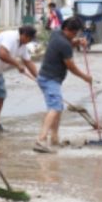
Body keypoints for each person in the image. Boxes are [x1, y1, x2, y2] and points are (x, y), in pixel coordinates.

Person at [34, 17, 91, 153]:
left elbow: (68, 42)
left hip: (45, 77)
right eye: (74, 33)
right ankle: (40, 140)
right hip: (50, 79)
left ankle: (54, 138)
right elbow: (71, 66)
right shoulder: (64, 45)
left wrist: (77, 41)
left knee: (57, 108)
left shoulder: (56, 33)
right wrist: (85, 77)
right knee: (55, 107)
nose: (75, 36)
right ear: (66, 30)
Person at [0, 26, 38, 127]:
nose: (29, 41)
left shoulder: (23, 46)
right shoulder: (11, 37)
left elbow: (28, 62)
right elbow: (2, 54)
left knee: (0, 95)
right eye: (30, 39)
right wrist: (17, 64)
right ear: (24, 35)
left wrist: (39, 79)